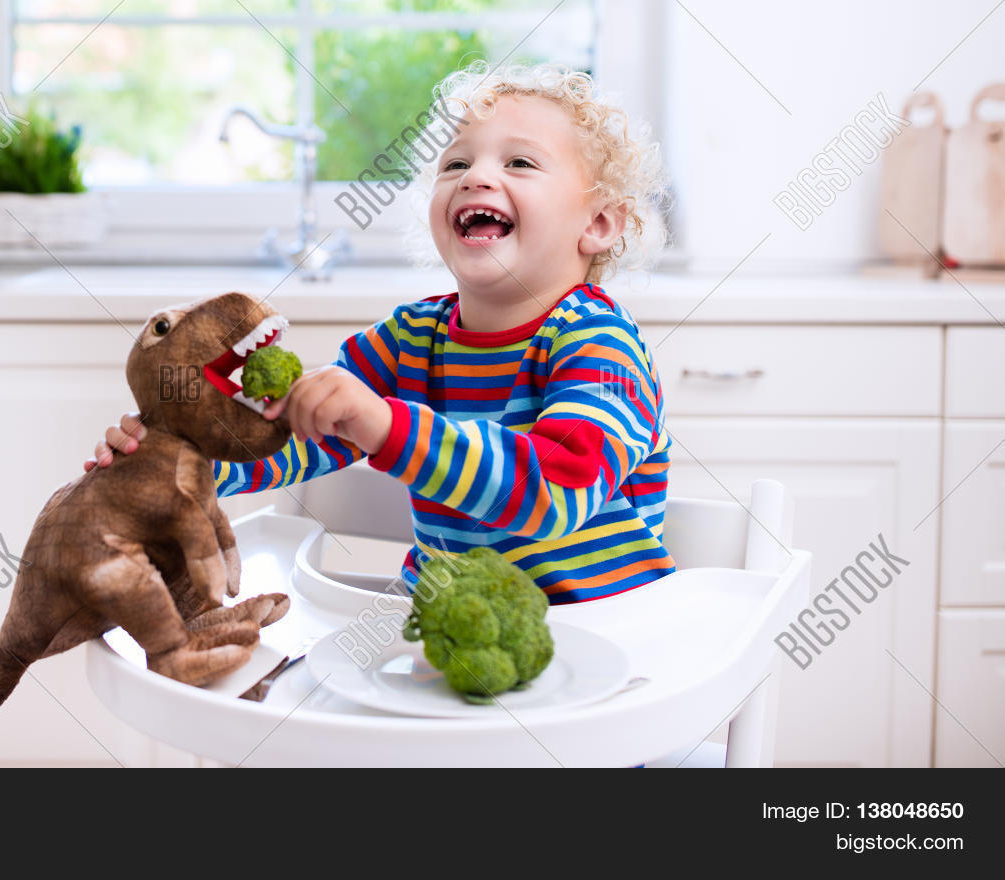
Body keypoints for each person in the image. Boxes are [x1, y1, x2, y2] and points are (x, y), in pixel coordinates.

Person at [84, 61, 676, 605]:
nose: (476, 178)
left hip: (601, 646)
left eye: (519, 162)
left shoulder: (599, 345)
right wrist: (191, 464)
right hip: (440, 629)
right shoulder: (410, 337)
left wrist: (388, 425)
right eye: (456, 163)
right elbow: (304, 432)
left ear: (598, 222)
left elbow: (556, 491)